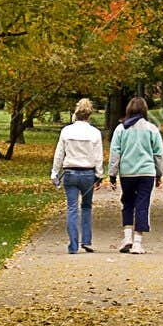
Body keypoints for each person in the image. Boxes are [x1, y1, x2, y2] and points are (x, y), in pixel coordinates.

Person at [108, 96, 163, 253]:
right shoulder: (151, 129)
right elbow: (158, 154)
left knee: (127, 203)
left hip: (127, 173)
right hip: (146, 173)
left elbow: (115, 153)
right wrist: (159, 174)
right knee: (142, 205)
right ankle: (138, 242)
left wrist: (112, 174)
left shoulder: (121, 129)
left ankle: (127, 238)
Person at [50, 96, 104, 253]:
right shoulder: (94, 133)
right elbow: (98, 156)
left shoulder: (66, 131)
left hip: (70, 173)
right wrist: (99, 175)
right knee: (86, 207)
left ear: (76, 113)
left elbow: (59, 154)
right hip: (88, 173)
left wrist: (54, 173)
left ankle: (73, 245)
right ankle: (86, 240)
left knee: (72, 207)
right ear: (89, 114)